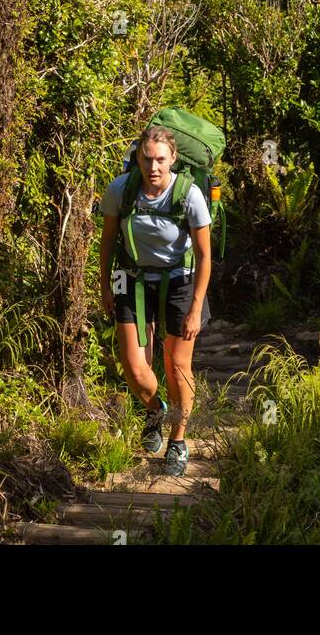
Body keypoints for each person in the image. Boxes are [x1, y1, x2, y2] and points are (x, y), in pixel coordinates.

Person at [99, 125, 212, 477]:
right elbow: (107, 242)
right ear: (137, 158)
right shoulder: (122, 189)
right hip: (130, 279)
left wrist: (196, 308)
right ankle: (155, 409)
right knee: (134, 367)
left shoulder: (189, 195)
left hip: (179, 281)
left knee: (177, 366)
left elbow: (206, 257)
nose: (154, 167)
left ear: (173, 159)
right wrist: (104, 286)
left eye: (161, 159)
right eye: (147, 159)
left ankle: (178, 440)